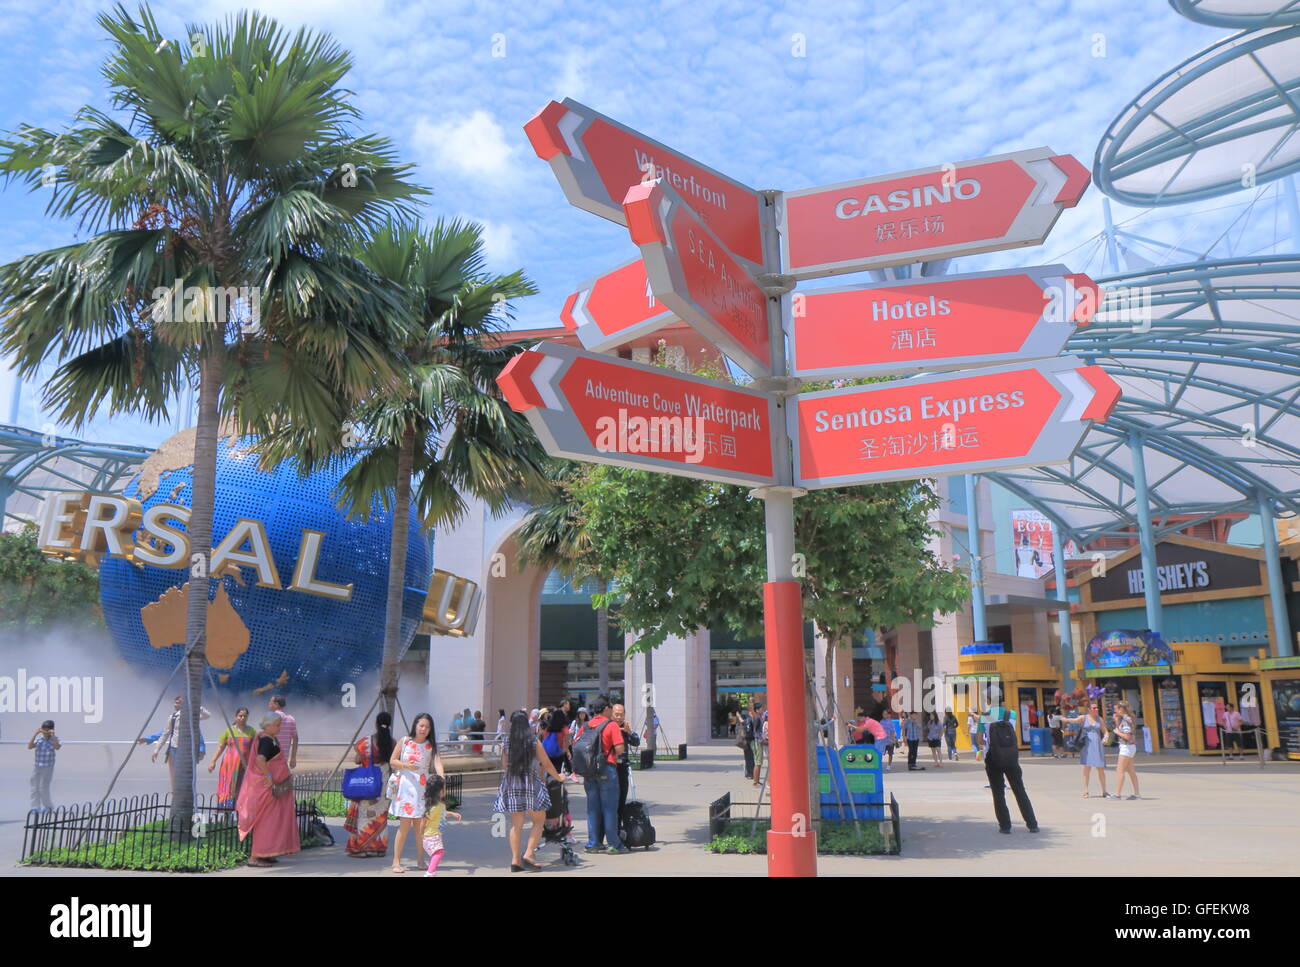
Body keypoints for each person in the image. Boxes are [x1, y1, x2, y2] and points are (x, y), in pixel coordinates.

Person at [493, 710, 569, 871]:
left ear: (512, 725)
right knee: (539, 820)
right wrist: (558, 777)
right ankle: (528, 853)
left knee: (516, 824)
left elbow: (505, 766)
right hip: (530, 784)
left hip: (512, 784)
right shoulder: (533, 741)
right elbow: (546, 763)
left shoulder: (506, 742)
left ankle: (515, 860)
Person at [235, 714, 299, 867]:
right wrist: (269, 776)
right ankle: (256, 857)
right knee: (266, 822)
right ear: (268, 725)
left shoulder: (269, 739)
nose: (279, 727)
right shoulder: (265, 740)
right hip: (268, 789)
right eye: (277, 725)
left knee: (273, 822)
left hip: (275, 788)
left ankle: (268, 853)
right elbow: (260, 759)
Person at [387, 712, 445, 873]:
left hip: (423, 789)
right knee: (404, 826)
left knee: (421, 827)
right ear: (415, 726)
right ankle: (396, 861)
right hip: (406, 787)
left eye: (427, 727)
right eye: (421, 725)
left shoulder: (430, 745)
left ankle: (420, 859)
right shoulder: (405, 741)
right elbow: (392, 760)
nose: (424, 729)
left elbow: (438, 763)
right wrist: (406, 765)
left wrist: (442, 780)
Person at [575, 696, 628, 853]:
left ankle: (593, 843)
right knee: (610, 808)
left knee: (592, 808)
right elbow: (619, 749)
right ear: (605, 709)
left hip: (588, 771)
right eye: (610, 708)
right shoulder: (610, 725)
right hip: (607, 769)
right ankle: (613, 843)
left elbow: (576, 744)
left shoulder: (586, 725)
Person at [982, 695, 1039, 834]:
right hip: (1011, 757)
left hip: (993, 758)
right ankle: (1032, 824)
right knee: (1020, 791)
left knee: (998, 793)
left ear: (989, 701)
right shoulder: (1012, 714)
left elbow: (979, 740)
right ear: (1003, 700)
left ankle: (1005, 826)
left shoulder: (986, 716)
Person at [344, 711, 394, 857]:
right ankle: (379, 847)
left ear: (376, 724)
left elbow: (357, 760)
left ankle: (362, 849)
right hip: (384, 783)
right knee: (381, 816)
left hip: (368, 782)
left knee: (365, 815)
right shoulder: (393, 743)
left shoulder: (366, 742)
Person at [150, 695, 211, 781]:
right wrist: (156, 750)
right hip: (175, 749)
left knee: (188, 773)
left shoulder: (192, 716)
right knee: (176, 774)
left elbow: (207, 715)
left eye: (178, 702)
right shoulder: (173, 717)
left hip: (188, 749)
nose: (175, 704)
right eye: (175, 702)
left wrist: (197, 706)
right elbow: (165, 734)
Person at [1061, 701, 1115, 798]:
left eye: (1097, 708)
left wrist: (1106, 737)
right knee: (1087, 768)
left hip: (1097, 745)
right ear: (1089, 709)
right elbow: (1074, 720)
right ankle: (1086, 791)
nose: (1096, 709)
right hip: (1086, 745)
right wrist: (1065, 719)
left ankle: (1104, 791)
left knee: (1100, 768)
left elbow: (1105, 731)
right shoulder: (1084, 718)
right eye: (1094, 708)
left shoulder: (1100, 719)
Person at [208, 707, 256, 807]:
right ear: (236, 717)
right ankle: (227, 813)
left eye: (245, 716)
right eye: (240, 716)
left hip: (244, 766)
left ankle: (240, 813)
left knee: (242, 787)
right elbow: (220, 747)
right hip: (229, 766)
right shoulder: (228, 731)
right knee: (228, 787)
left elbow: (256, 748)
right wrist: (213, 761)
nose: (242, 718)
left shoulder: (251, 731)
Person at [421, 775, 461, 876]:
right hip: (431, 834)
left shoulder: (439, 806)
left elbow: (442, 813)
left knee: (437, 853)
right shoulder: (434, 807)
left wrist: (452, 814)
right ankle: (430, 872)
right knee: (438, 852)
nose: (446, 790)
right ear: (440, 791)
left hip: (434, 834)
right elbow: (424, 820)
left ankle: (431, 871)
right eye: (444, 788)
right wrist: (421, 834)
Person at [611, 702, 641, 825]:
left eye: (621, 715)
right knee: (612, 800)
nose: (619, 717)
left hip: (622, 767)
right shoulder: (608, 727)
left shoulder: (625, 728)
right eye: (616, 714)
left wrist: (629, 732)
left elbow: (636, 742)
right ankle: (613, 828)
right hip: (610, 768)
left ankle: (619, 827)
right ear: (611, 715)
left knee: (622, 798)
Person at [28, 719, 59, 812]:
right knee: (34, 786)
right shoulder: (39, 739)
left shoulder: (55, 739)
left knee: (43, 787)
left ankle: (48, 806)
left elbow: (57, 747)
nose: (45, 731)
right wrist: (36, 733)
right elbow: (29, 746)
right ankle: (35, 807)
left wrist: (52, 735)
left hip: (48, 767)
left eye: (47, 729)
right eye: (44, 729)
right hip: (37, 766)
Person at [1113, 702, 1142, 799]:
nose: (1115, 711)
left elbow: (1127, 736)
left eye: (1116, 709)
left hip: (1126, 747)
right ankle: (1137, 794)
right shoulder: (1128, 718)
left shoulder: (1125, 720)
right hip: (1130, 747)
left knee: (1120, 770)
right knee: (1130, 771)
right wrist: (1116, 721)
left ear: (1121, 709)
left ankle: (1117, 794)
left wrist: (1117, 732)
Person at [268, 695, 297, 770]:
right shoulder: (291, 719)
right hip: (283, 759)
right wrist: (293, 758)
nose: (268, 704)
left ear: (276, 704)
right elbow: (296, 738)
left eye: (270, 702)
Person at [541, 707, 569, 775]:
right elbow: (566, 741)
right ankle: (555, 784)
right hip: (558, 754)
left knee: (548, 772)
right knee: (557, 772)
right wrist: (566, 751)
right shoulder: (564, 728)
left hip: (548, 754)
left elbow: (544, 739)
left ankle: (548, 783)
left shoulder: (548, 728)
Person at [751, 703, 768, 787]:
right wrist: (762, 740)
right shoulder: (757, 718)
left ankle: (757, 780)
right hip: (757, 742)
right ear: (757, 710)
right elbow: (756, 732)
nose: (762, 710)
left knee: (759, 762)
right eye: (761, 708)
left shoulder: (760, 717)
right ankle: (755, 782)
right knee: (758, 762)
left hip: (758, 742)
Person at [738, 705, 756, 779]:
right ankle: (750, 773)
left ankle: (750, 773)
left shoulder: (749, 720)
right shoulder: (751, 719)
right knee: (750, 757)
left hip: (748, 740)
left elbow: (743, 722)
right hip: (750, 740)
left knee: (749, 757)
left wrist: (738, 716)